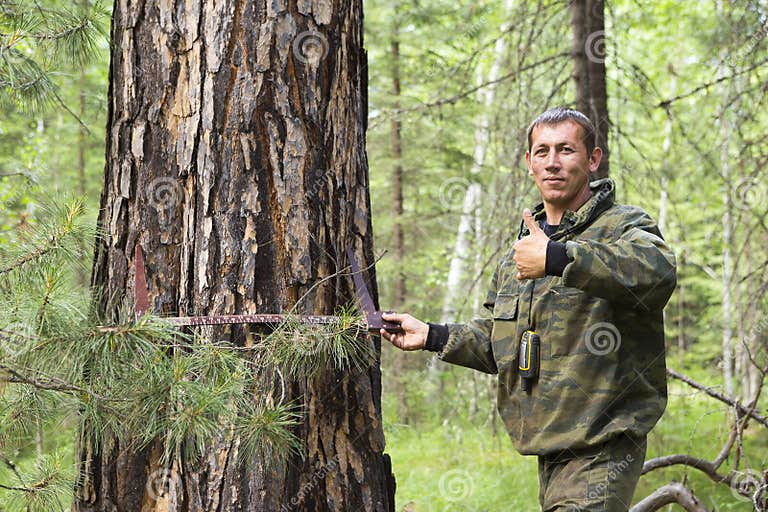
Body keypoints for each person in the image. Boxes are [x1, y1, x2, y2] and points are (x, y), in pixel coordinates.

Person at [380, 107, 677, 512]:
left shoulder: (622, 226)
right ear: (529, 162)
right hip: (549, 449)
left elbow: (657, 273)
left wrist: (557, 258)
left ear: (593, 159)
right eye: (542, 151)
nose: (552, 162)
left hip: (603, 444)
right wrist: (432, 335)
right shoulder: (521, 252)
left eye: (566, 150)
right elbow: (502, 344)